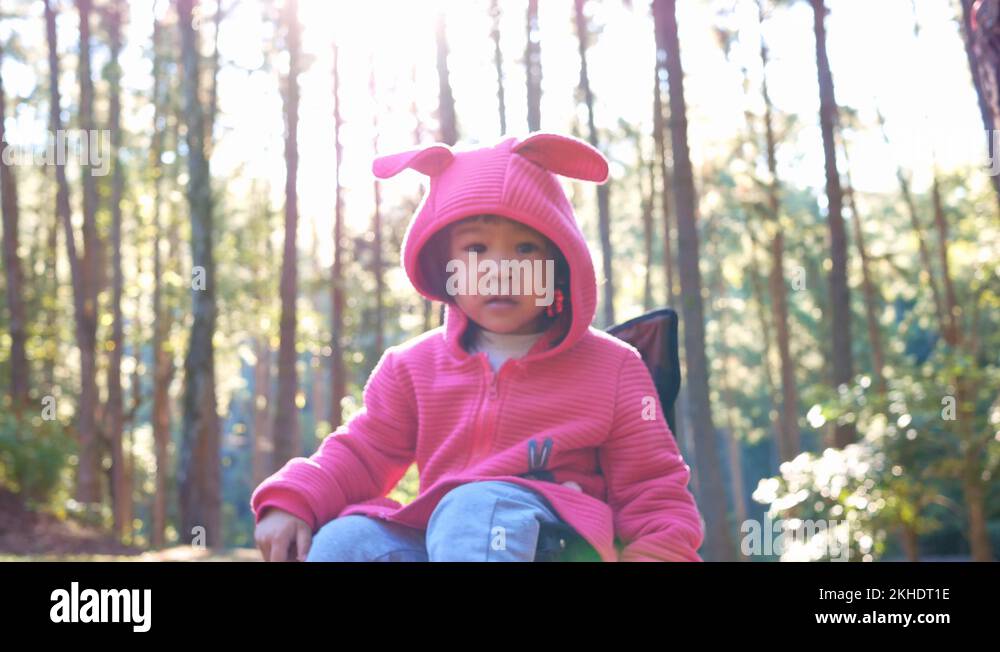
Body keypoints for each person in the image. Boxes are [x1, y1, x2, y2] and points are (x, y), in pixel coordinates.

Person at [251, 132, 704, 562]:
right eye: (475, 249)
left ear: (560, 264)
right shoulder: (411, 367)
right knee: (348, 539)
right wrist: (295, 498)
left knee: (476, 506)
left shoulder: (613, 367)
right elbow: (360, 453)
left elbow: (652, 490)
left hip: (559, 543)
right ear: (443, 265)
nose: (500, 269)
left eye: (525, 248)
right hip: (445, 538)